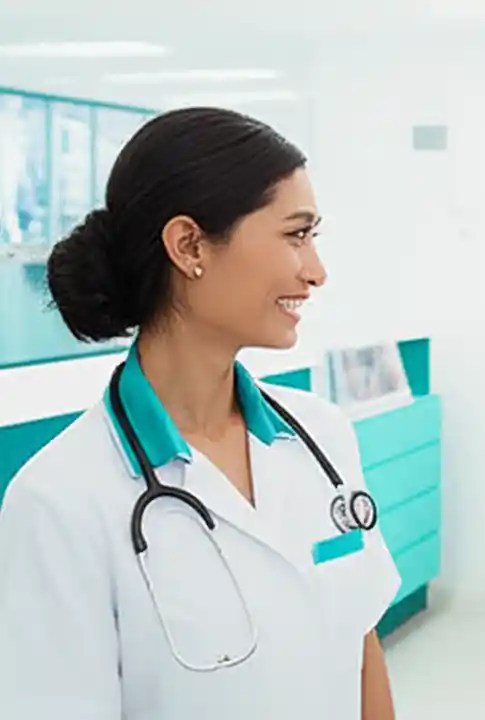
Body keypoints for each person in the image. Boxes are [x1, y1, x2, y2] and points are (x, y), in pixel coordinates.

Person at [0, 107, 401, 719]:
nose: (316, 272)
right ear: (190, 246)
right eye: (296, 235)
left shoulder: (321, 437)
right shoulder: (60, 502)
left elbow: (362, 643)